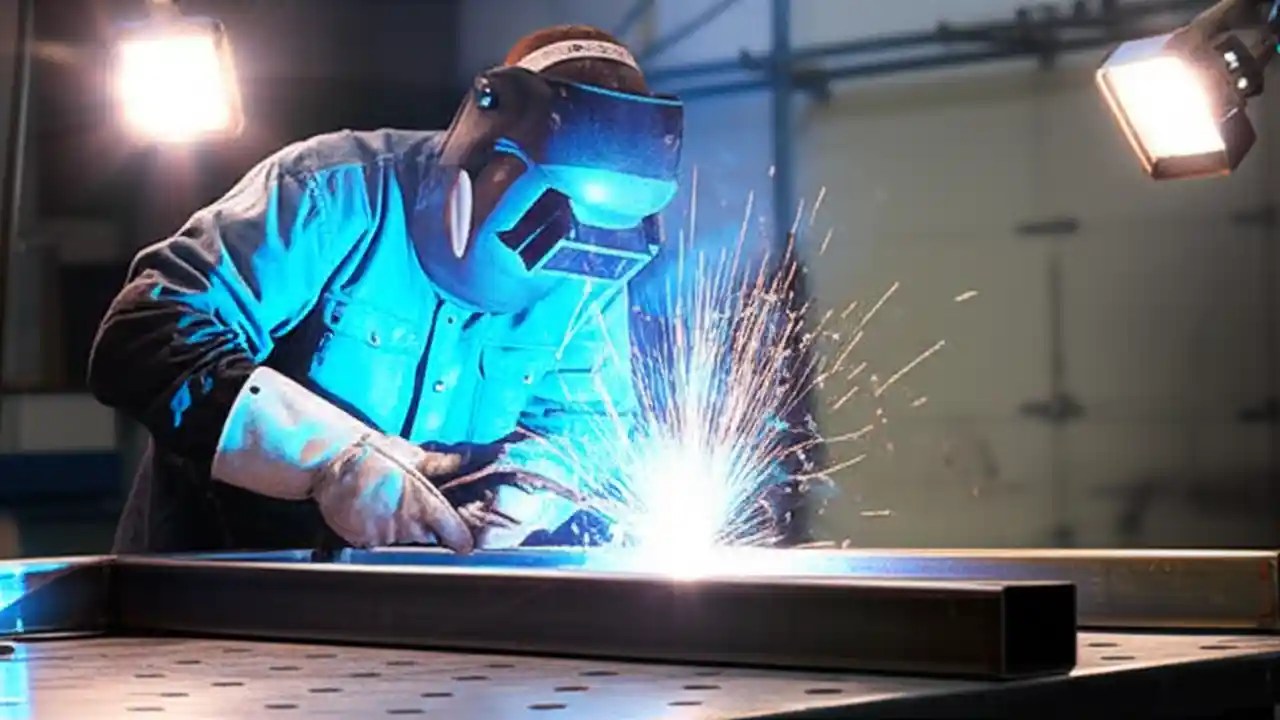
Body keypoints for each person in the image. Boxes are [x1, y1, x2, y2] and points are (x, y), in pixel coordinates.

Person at [87, 25, 684, 554]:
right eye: (546, 217)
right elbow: (143, 336)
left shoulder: (597, 263)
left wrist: (530, 488)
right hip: (209, 595)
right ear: (487, 154)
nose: (564, 257)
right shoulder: (330, 197)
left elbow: (587, 425)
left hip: (402, 621)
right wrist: (326, 461)